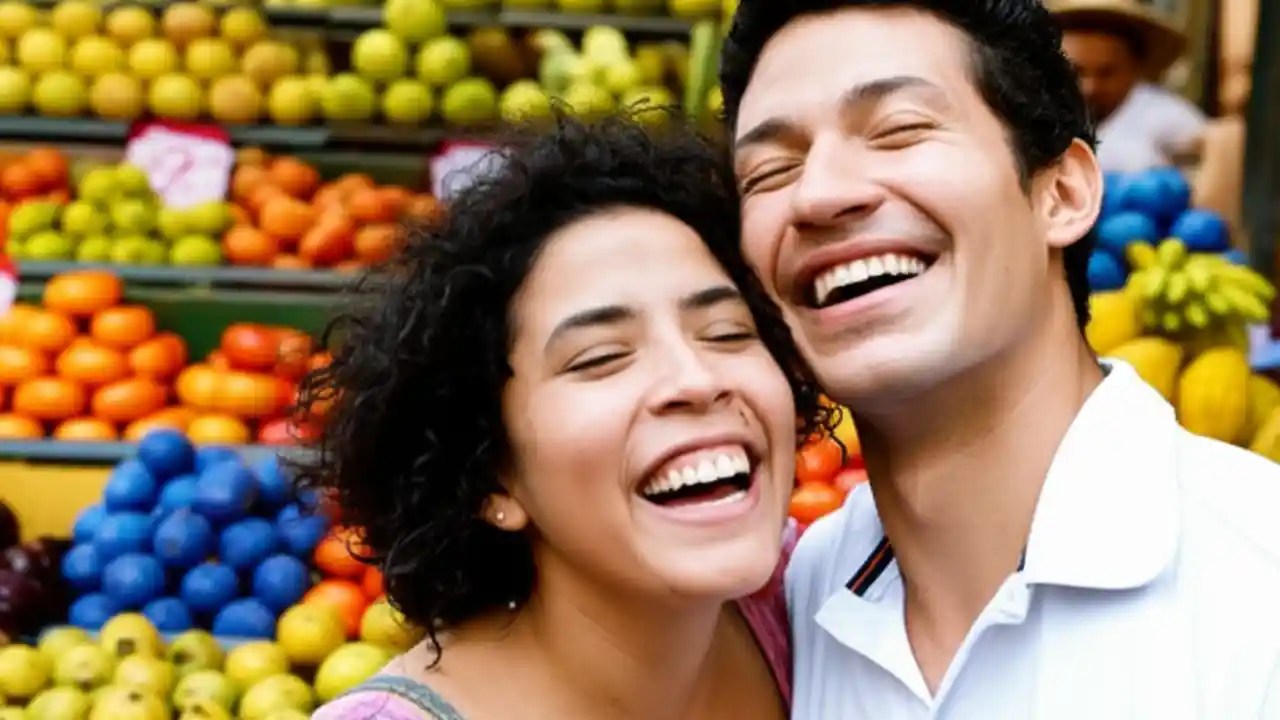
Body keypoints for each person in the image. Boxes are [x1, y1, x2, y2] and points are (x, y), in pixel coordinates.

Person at [720, 1, 1280, 717]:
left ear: (1064, 193)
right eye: (769, 171)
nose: (819, 194)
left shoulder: (1259, 588)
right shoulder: (789, 605)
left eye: (899, 130)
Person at [305, 115, 827, 719]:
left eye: (727, 332)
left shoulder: (816, 600)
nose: (696, 379)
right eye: (602, 357)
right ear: (491, 474)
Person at [1052, 0, 1207, 173]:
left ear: (1136, 69)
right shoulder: (1032, 114)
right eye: (1077, 72)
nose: (1090, 87)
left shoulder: (1168, 119)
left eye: (1106, 73)